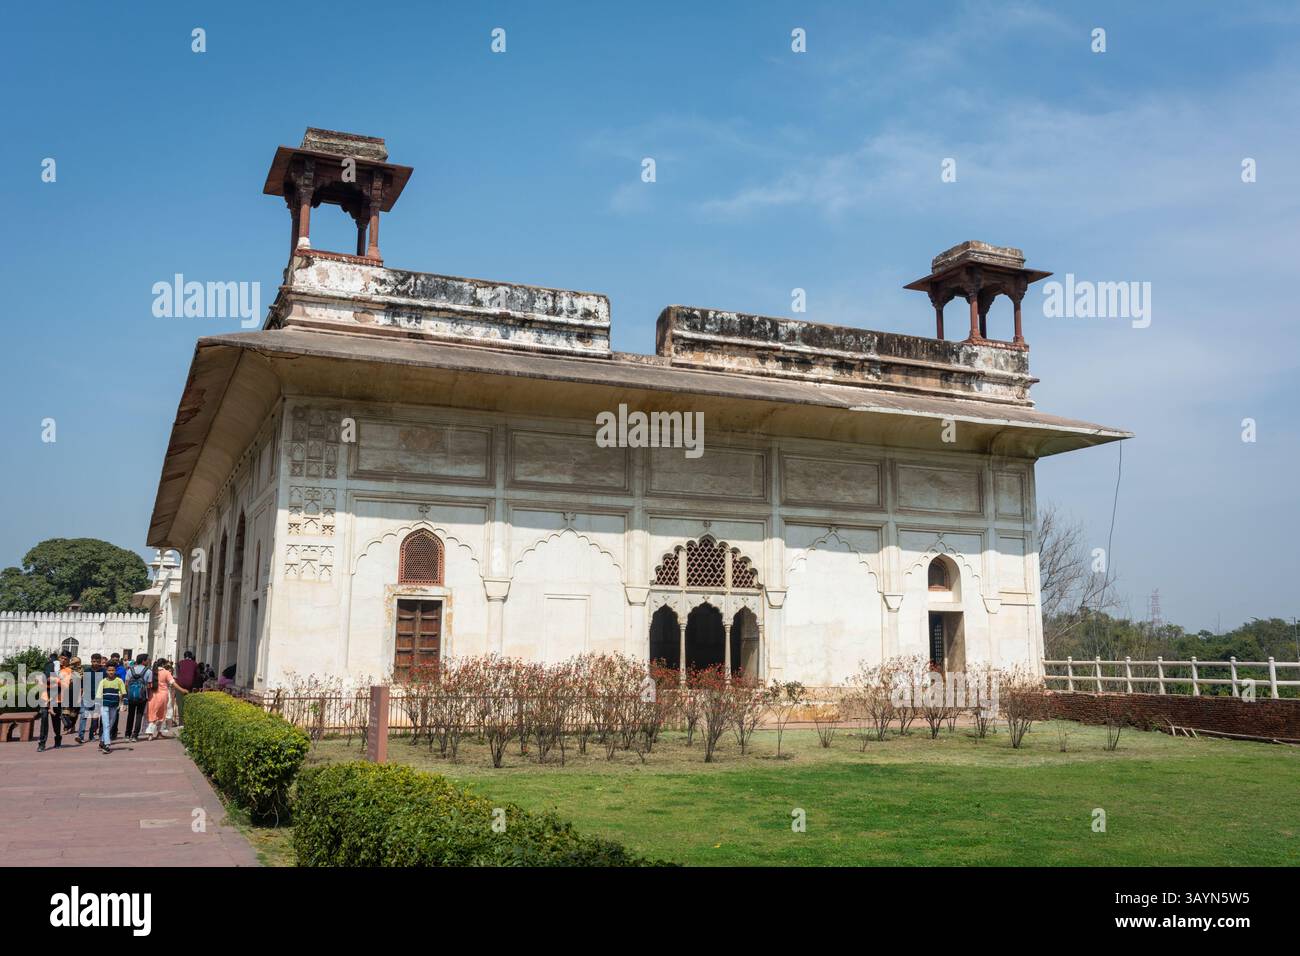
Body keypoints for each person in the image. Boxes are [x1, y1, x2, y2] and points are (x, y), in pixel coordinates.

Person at [143, 659, 186, 740]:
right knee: (161, 715)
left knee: (152, 713)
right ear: (163, 664)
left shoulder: (151, 671)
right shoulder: (166, 672)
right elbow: (173, 683)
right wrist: (182, 690)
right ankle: (158, 732)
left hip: (152, 696)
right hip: (163, 695)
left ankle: (150, 733)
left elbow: (148, 684)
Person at [97, 665, 126, 754]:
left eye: (113, 670)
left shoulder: (119, 681)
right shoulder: (103, 681)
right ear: (106, 671)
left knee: (110, 724)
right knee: (106, 725)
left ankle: (102, 740)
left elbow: (123, 692)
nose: (111, 672)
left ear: (115, 671)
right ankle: (107, 745)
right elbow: (98, 695)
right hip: (104, 706)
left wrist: (123, 704)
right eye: (109, 670)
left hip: (114, 706)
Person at [124, 654, 153, 742]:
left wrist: (129, 692)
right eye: (147, 660)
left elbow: (126, 683)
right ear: (143, 661)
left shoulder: (130, 670)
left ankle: (127, 734)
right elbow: (149, 685)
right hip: (142, 697)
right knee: (139, 715)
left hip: (131, 696)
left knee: (130, 715)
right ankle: (135, 735)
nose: (148, 661)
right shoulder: (148, 671)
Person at [76, 655, 104, 743]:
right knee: (83, 716)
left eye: (97, 661)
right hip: (87, 697)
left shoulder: (103, 671)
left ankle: (91, 735)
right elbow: (82, 684)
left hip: (98, 698)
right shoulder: (87, 670)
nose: (95, 663)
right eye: (93, 661)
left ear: (100, 662)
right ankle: (80, 736)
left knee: (94, 718)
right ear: (91, 661)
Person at [35, 670, 63, 752]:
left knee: (56, 721)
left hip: (55, 701)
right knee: (44, 721)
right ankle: (42, 743)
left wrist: (51, 703)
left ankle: (58, 739)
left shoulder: (57, 680)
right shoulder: (41, 679)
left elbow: (58, 691)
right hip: (44, 701)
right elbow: (42, 691)